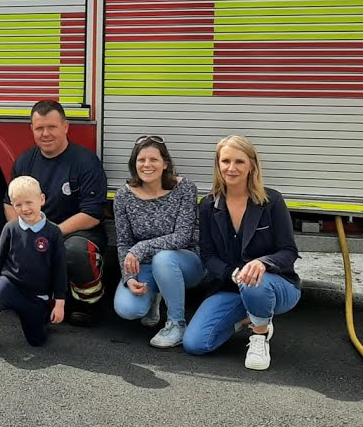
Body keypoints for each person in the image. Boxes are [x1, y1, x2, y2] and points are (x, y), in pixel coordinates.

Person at [182, 135, 301, 371]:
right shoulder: (208, 205)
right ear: (218, 165)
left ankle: (259, 334)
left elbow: (289, 251)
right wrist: (232, 273)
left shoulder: (272, 200)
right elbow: (207, 255)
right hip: (231, 285)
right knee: (195, 344)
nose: (231, 168)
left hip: (275, 285)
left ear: (252, 166)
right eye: (225, 161)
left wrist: (263, 263)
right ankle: (247, 318)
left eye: (239, 162)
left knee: (254, 280)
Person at [5, 100, 108, 326]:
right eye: (39, 128)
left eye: (51, 127)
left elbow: (92, 213)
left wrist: (50, 234)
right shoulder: (25, 161)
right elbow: (9, 203)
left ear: (65, 127)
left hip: (77, 232)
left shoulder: (85, 162)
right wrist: (22, 236)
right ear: (32, 129)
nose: (46, 134)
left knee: (76, 252)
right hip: (38, 230)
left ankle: (87, 303)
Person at [112, 136, 203, 349]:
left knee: (163, 258)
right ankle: (155, 295)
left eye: (153, 159)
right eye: (141, 160)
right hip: (145, 265)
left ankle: (176, 323)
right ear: (134, 164)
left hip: (184, 262)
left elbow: (183, 236)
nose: (147, 165)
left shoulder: (185, 188)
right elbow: (124, 242)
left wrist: (141, 247)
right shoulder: (124, 196)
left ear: (165, 164)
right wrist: (129, 276)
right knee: (128, 309)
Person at [0, 176, 66, 352]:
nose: (24, 209)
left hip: (36, 293)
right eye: (18, 204)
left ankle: (41, 318)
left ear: (42, 199)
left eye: (29, 202)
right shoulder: (11, 228)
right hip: (10, 283)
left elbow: (59, 268)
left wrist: (59, 302)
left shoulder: (53, 232)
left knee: (37, 341)